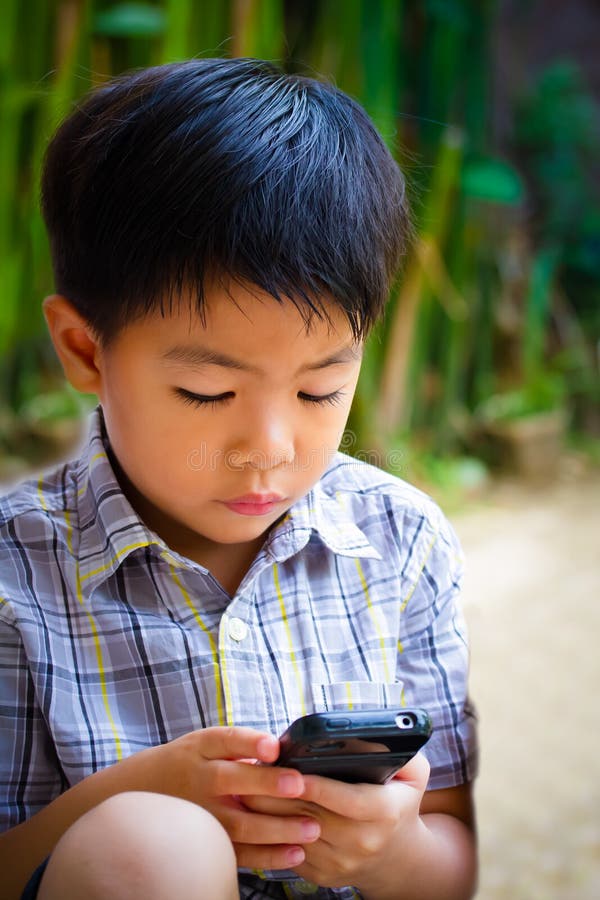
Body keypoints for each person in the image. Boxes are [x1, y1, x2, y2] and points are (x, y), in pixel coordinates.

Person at [0, 58, 478, 900]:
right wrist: (141, 796)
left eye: (320, 389)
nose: (268, 447)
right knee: (149, 846)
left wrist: (385, 852)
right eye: (206, 392)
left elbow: (451, 852)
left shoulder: (400, 541)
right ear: (84, 351)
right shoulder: (16, 578)